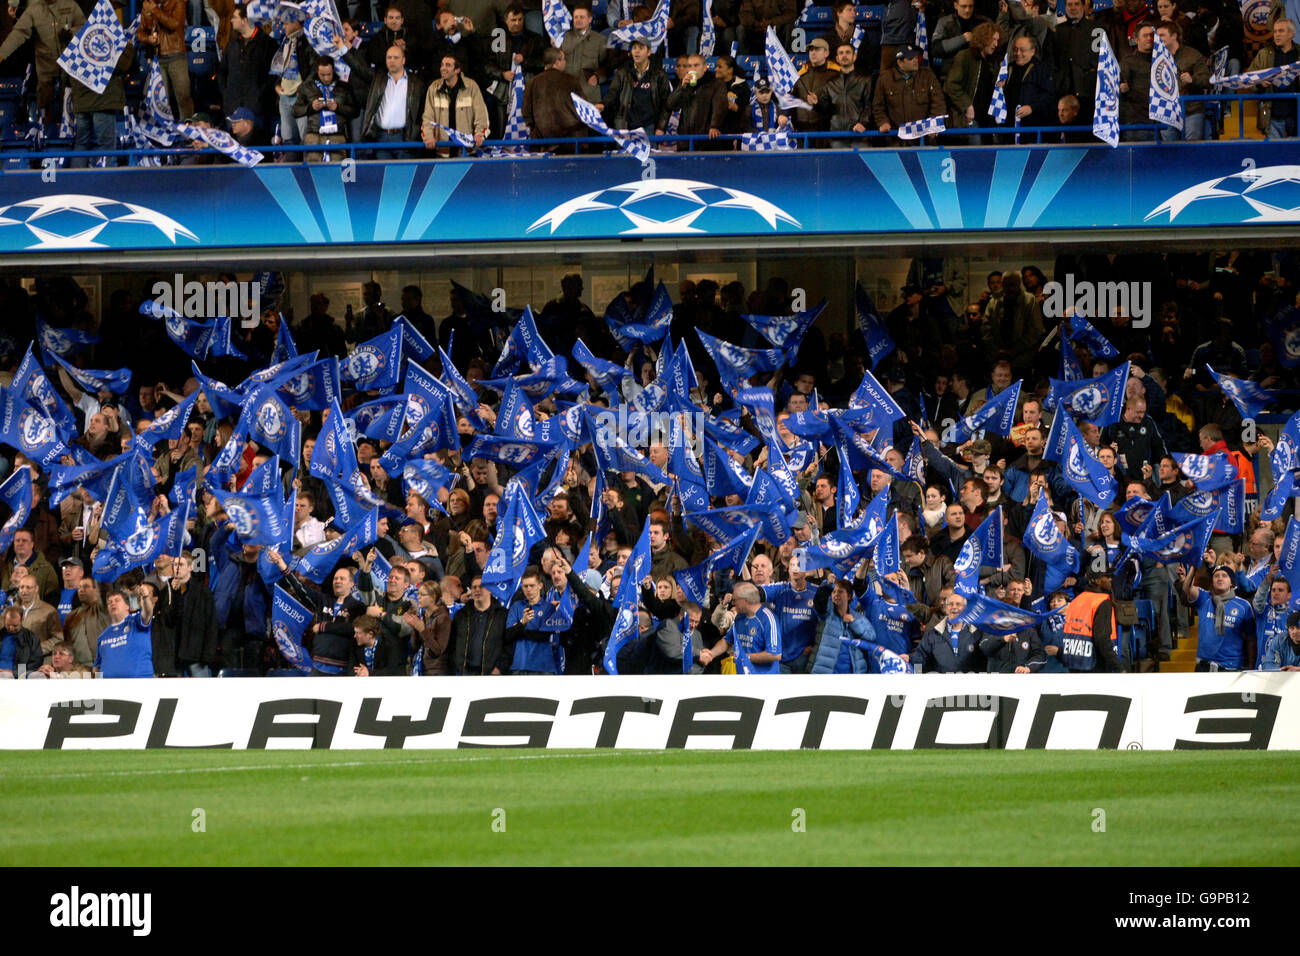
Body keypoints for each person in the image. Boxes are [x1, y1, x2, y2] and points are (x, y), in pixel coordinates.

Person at [1179, 553, 1255, 671]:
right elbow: (1186, 588)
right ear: (1212, 581)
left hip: (1231, 668)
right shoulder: (1204, 598)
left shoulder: (1243, 606)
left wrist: (1250, 667)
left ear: (1231, 582)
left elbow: (1251, 639)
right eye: (1216, 576)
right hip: (1203, 666)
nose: (1220, 578)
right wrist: (1194, 566)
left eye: (1224, 576)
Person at [362, 45, 427, 157]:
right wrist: (343, 48)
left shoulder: (416, 83)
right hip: (381, 137)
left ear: (403, 60)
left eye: (396, 57)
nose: (392, 60)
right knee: (384, 174)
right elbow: (359, 68)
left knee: (405, 174)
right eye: (389, 57)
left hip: (405, 137)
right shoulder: (378, 80)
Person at [873, 45, 946, 145]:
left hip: (924, 140)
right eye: (910, 58)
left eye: (916, 57)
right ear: (900, 62)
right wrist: (882, 122)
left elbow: (938, 102)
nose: (915, 60)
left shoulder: (928, 75)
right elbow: (878, 106)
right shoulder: (885, 79)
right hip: (896, 140)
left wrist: (934, 125)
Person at [701, 583, 781, 674]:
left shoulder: (768, 619)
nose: (733, 604)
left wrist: (745, 657)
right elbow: (727, 641)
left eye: (735, 600)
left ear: (745, 600)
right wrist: (711, 654)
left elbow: (775, 654)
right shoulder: (740, 617)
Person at [295, 57, 360, 162]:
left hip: (337, 137)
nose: (326, 78)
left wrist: (338, 107)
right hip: (313, 136)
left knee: (336, 172)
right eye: (322, 75)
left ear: (333, 70)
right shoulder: (306, 87)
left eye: (329, 74)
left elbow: (355, 112)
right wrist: (311, 107)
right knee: (313, 172)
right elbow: (295, 111)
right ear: (317, 71)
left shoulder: (344, 87)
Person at [445, 574, 512, 674]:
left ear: (490, 590)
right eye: (474, 587)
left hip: (491, 673)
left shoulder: (503, 615)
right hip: (465, 673)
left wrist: (499, 668)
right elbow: (452, 644)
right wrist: (457, 665)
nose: (477, 590)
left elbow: (509, 645)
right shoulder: (461, 615)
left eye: (481, 586)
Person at [601, 38, 671, 134]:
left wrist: (661, 127)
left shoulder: (659, 75)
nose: (637, 51)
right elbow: (612, 93)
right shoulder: (622, 73)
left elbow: (666, 104)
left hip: (649, 126)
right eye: (634, 48)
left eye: (641, 48)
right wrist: (603, 104)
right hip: (625, 126)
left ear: (649, 52)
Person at [522, 47, 587, 146]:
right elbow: (583, 109)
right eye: (564, 59)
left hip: (543, 142)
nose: (565, 62)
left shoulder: (532, 82)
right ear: (557, 62)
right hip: (572, 142)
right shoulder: (571, 80)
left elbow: (526, 112)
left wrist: (536, 129)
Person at [910, 591, 986, 672]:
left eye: (958, 604)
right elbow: (918, 660)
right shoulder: (932, 634)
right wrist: (917, 675)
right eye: (950, 604)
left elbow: (985, 662)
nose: (954, 607)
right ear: (945, 609)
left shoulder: (977, 633)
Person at [1249, 17, 1298, 139]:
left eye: (1281, 31)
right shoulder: (1264, 54)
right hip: (1273, 116)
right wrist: (1260, 84)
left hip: (1297, 114)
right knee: (1275, 155)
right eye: (1275, 31)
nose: (1276, 35)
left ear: (1291, 34)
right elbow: (1248, 80)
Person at [96, 587, 156, 679]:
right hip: (110, 690)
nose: (113, 603)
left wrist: (145, 597)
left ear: (128, 605)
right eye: (110, 602)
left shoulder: (136, 621)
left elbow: (148, 612)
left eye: (117, 600)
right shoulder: (103, 635)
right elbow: (97, 667)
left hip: (139, 687)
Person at [0, 606, 42, 677]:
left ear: (22, 619)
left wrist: (14, 672)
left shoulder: (32, 638)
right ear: (4, 620)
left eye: (15, 625)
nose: (11, 628)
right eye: (8, 625)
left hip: (18, 677)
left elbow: (36, 663)